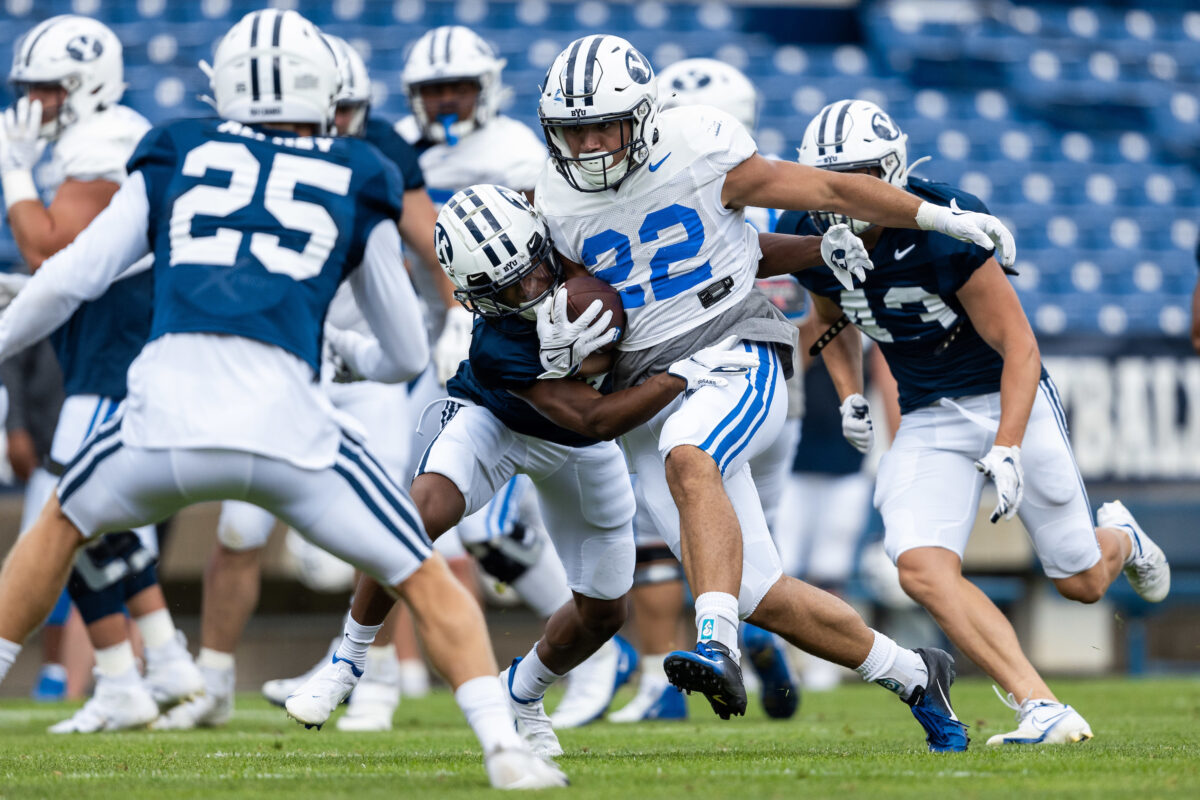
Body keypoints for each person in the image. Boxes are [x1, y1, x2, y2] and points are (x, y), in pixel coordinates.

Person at [0, 9, 563, 788]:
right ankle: (503, 749)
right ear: (325, 87)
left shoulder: (177, 149)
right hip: (288, 428)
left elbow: (70, 277)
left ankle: (147, 668)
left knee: (59, 525)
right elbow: (401, 351)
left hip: (163, 417)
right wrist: (351, 357)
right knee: (421, 572)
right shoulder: (359, 172)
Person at [533, 34, 1017, 750]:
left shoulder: (698, 146)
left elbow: (828, 190)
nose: (591, 144)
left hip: (734, 344)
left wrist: (940, 218)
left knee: (689, 452)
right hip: (643, 383)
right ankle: (917, 674)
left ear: (645, 115)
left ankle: (716, 645)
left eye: (605, 124)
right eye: (574, 130)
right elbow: (594, 293)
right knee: (763, 592)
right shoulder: (552, 195)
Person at [288, 181, 851, 751]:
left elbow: (715, 252)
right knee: (418, 515)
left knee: (604, 613)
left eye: (533, 271)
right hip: (496, 420)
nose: (530, 291)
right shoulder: (496, 345)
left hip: (578, 453)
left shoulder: (576, 240)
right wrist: (685, 373)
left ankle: (523, 692)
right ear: (475, 298)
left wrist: (816, 248)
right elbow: (599, 419)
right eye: (506, 290)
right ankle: (348, 659)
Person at [778, 98, 1171, 744]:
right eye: (833, 180)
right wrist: (851, 392)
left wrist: (1010, 446)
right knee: (919, 566)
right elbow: (831, 319)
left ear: (894, 172)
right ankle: (1040, 705)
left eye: (859, 178)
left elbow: (1021, 349)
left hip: (1006, 399)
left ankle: (1121, 538)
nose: (843, 198)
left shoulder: (942, 226)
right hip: (929, 416)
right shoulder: (807, 227)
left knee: (1081, 579)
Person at [159, 31, 452, 734]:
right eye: (335, 106)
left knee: (387, 525)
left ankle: (377, 677)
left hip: (370, 369)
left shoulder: (375, 158)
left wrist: (456, 320)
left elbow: (435, 246)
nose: (341, 120)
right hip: (288, 364)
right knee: (239, 526)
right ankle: (214, 678)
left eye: (352, 107)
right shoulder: (256, 155)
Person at [0, 13, 202, 732]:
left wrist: (15, 170)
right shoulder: (92, 137)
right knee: (86, 514)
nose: (35, 107)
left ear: (88, 86)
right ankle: (154, 664)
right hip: (106, 338)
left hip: (121, 345)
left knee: (63, 512)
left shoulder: (104, 137)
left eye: (49, 91)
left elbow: (50, 251)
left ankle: (137, 671)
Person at [609, 56, 799, 723]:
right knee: (733, 543)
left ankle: (729, 642)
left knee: (705, 526)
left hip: (738, 366)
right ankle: (747, 637)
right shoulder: (752, 179)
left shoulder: (725, 181)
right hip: (764, 373)